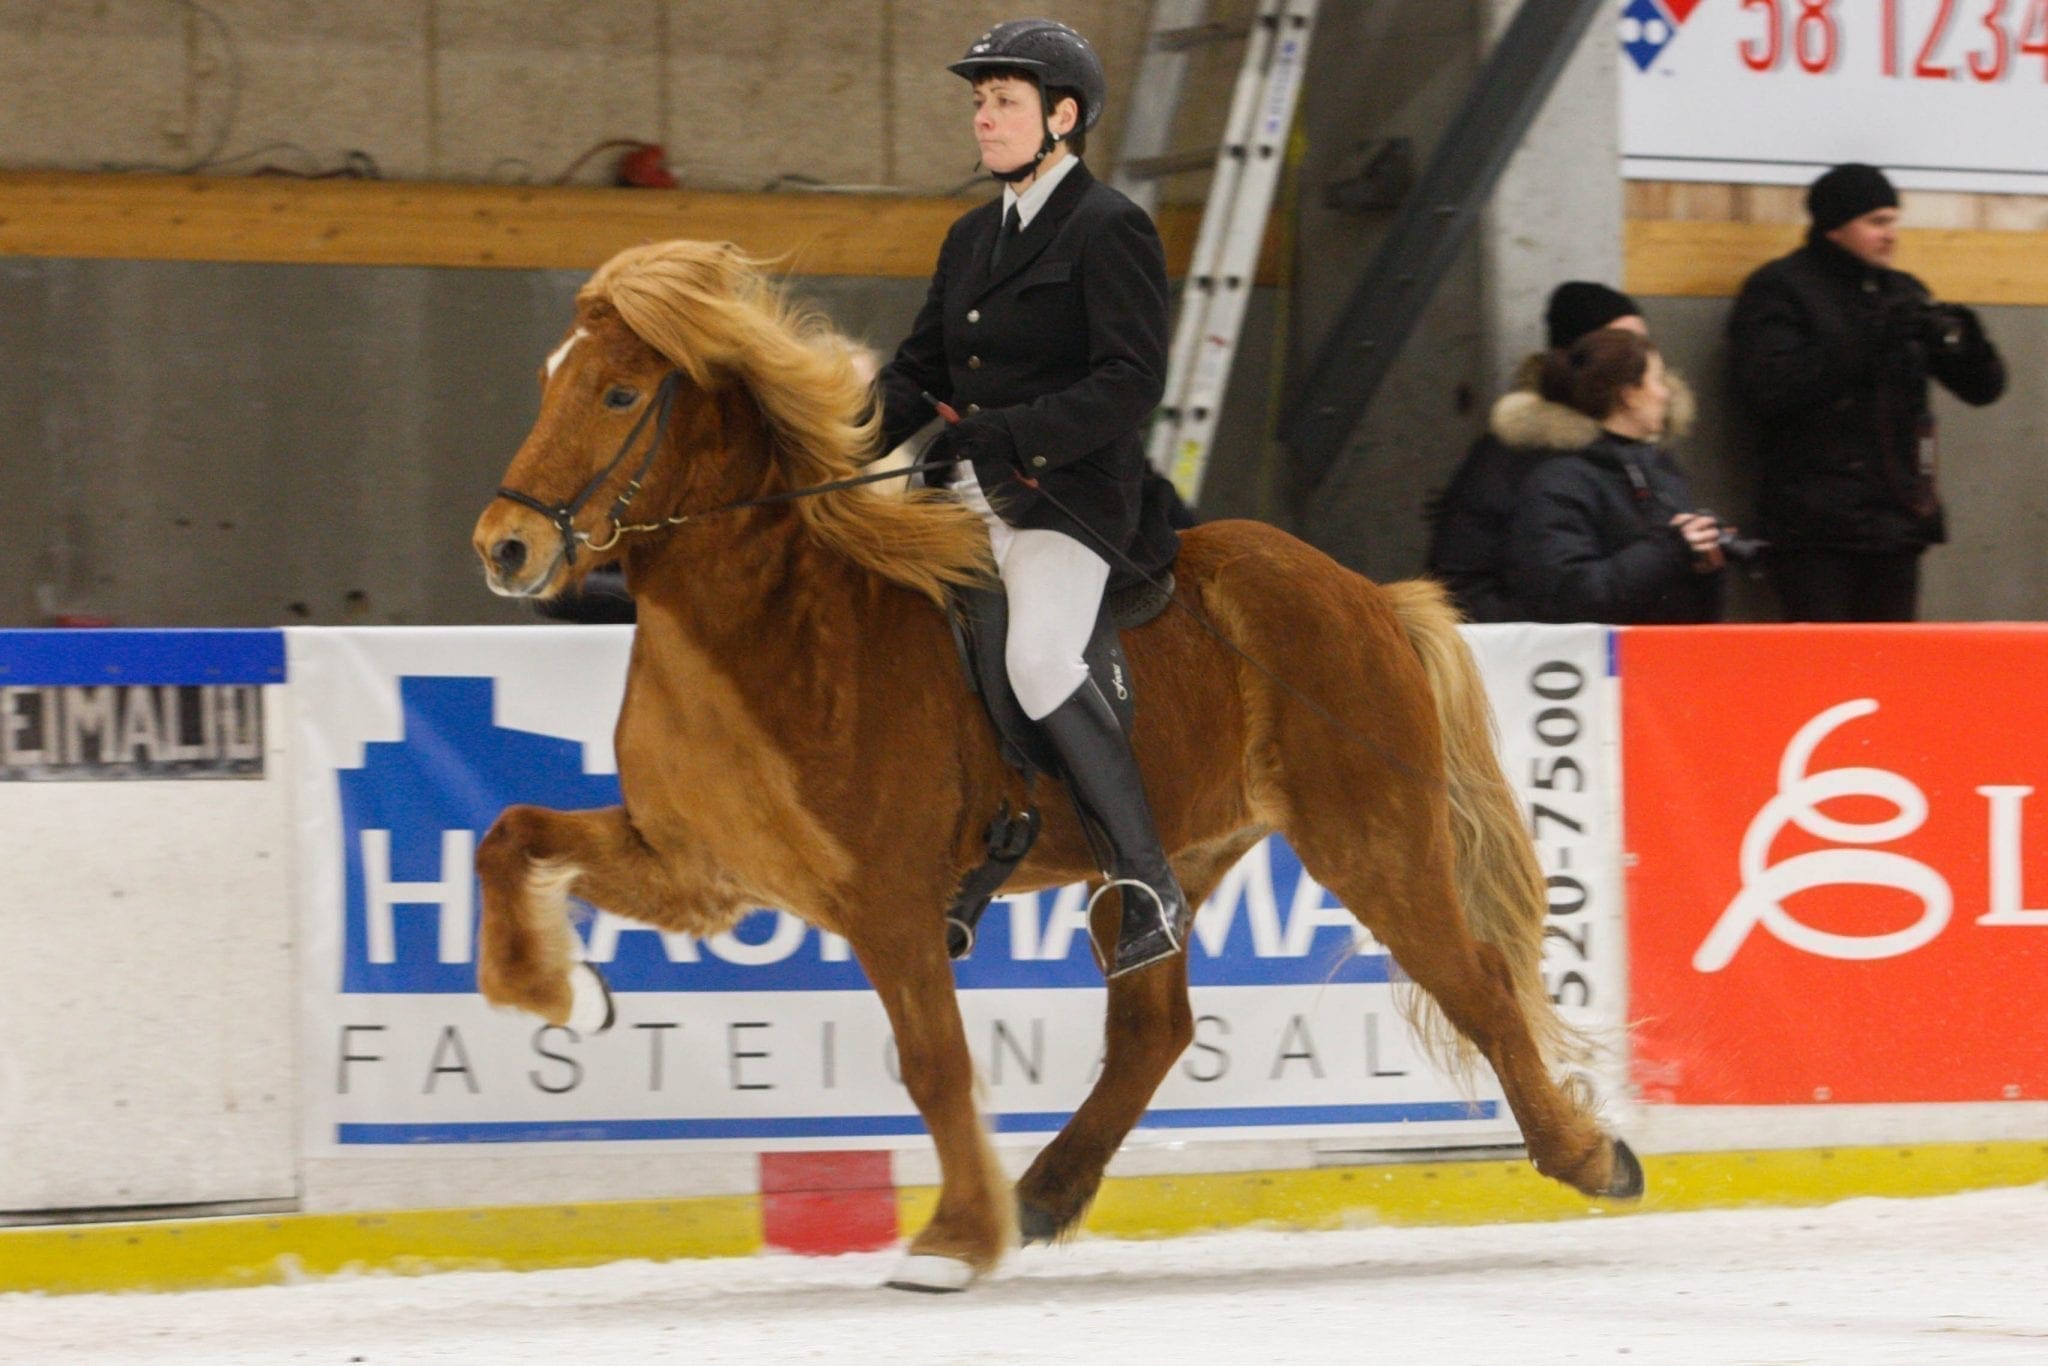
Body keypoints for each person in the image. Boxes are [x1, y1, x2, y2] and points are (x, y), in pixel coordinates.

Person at [873, 19, 1186, 978]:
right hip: (966, 490)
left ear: (1063, 116)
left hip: (1071, 497)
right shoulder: (971, 236)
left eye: (1003, 101)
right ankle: (965, 850)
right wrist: (827, 450)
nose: (983, 117)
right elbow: (919, 372)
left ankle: (1145, 882)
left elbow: (1132, 380)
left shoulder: (1109, 226)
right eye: (978, 101)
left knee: (1043, 656)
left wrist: (1008, 432)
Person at [1728, 163, 2006, 621]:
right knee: (1825, 669)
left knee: (1891, 668)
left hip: (1896, 521)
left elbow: (1983, 390)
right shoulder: (1779, 289)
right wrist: (1866, 341)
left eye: (1894, 220)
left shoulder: (1903, 291)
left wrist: (1966, 344)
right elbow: (1770, 389)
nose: (1891, 234)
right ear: (1835, 228)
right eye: (1877, 222)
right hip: (1815, 529)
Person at [1428, 282, 1691, 621]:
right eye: (1620, 343)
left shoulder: (1647, 456)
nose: (1637, 354)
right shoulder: (1517, 452)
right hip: (1529, 648)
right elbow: (1462, 571)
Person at [1504, 328, 1727, 624]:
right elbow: (1570, 596)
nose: (1667, 393)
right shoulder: (1558, 481)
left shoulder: (1661, 469)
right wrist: (1671, 549)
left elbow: (1689, 607)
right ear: (1629, 395)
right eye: (1658, 379)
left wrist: (1705, 568)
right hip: (1600, 663)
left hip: (1668, 654)